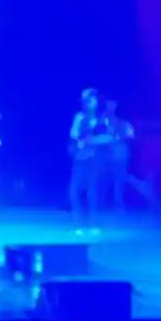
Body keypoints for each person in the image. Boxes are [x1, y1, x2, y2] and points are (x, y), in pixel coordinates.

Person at [68, 89, 113, 233]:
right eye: (88, 100)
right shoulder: (79, 117)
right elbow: (73, 135)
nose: (91, 103)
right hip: (80, 158)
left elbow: (108, 138)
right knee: (74, 190)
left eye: (93, 100)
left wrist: (91, 141)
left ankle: (94, 224)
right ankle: (78, 224)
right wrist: (80, 141)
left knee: (93, 191)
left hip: (95, 160)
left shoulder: (102, 119)